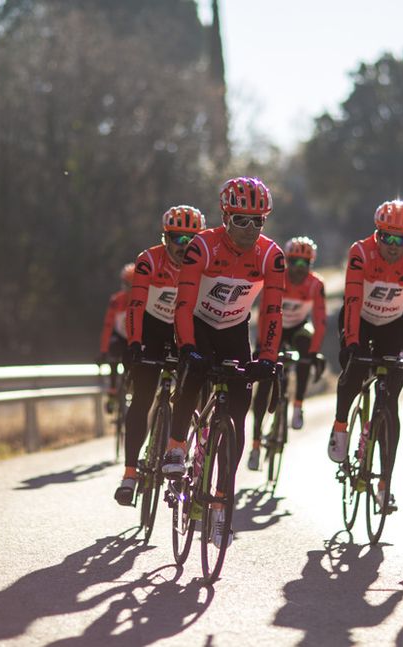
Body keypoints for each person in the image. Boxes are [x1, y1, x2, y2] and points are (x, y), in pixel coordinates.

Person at [161, 176, 286, 548]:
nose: (250, 229)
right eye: (241, 221)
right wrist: (187, 348)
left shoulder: (270, 255)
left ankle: (221, 501)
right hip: (197, 323)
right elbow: (182, 303)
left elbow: (273, 311)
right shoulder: (202, 245)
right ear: (225, 216)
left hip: (234, 331)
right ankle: (177, 446)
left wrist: (267, 356)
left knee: (237, 415)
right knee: (192, 377)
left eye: (258, 221)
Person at [328, 199, 403, 510]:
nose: (393, 245)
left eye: (402, 239)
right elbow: (352, 299)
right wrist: (351, 342)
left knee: (390, 403)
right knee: (354, 372)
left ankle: (385, 482)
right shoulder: (361, 252)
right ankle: (341, 425)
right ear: (377, 234)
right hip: (358, 320)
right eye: (387, 237)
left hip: (390, 327)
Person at [113, 205, 207, 505]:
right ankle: (130, 473)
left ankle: (184, 453)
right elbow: (135, 306)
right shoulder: (148, 260)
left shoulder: (206, 264)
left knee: (193, 392)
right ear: (164, 238)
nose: (183, 247)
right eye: (176, 239)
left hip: (185, 331)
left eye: (190, 241)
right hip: (152, 330)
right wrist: (134, 344)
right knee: (142, 399)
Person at [248, 236, 327, 470]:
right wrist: (262, 345)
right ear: (286, 261)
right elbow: (263, 313)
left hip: (298, 329)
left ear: (310, 265)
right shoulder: (277, 278)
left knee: (306, 343)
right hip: (275, 328)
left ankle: (298, 405)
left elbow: (320, 321)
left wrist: (312, 354)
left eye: (304, 263)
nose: (298, 268)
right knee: (264, 383)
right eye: (294, 262)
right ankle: (254, 446)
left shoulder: (316, 285)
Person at [98, 263, 134, 412]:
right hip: (120, 336)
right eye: (127, 284)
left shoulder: (145, 300)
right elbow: (108, 326)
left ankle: (130, 388)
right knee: (113, 355)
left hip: (134, 339)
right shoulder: (116, 300)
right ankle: (113, 391)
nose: (129, 288)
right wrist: (103, 350)